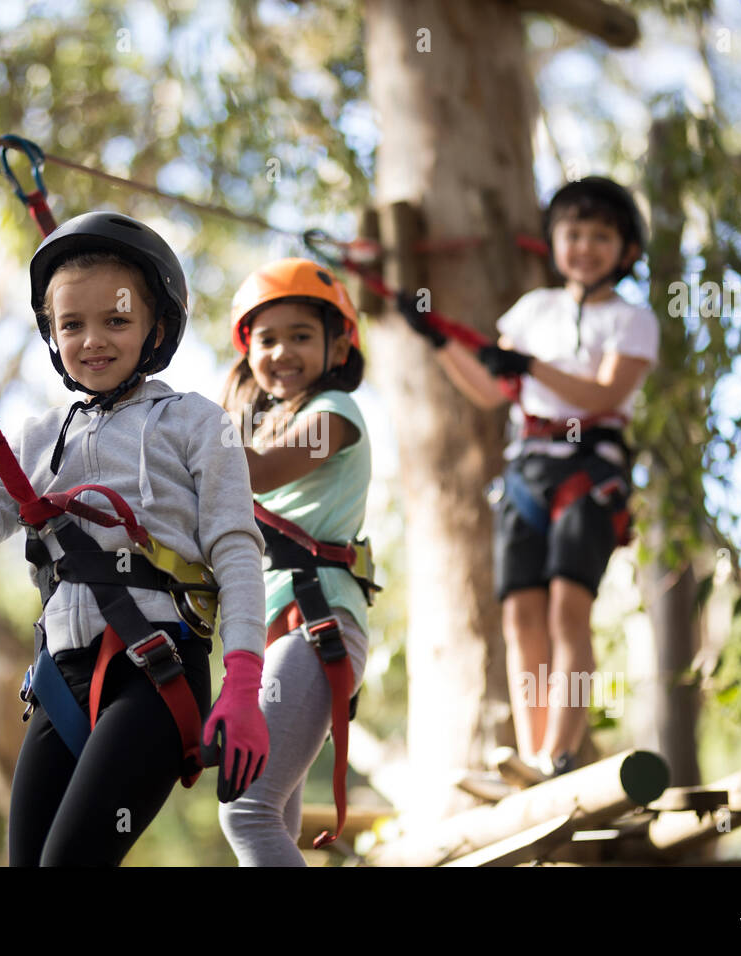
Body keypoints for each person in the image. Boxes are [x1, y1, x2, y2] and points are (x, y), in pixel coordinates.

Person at [0, 211, 270, 865]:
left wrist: (243, 683)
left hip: (156, 671)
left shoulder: (194, 422)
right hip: (59, 680)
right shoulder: (39, 438)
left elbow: (235, 549)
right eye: (72, 324)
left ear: (156, 329)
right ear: (51, 333)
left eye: (117, 320)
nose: (93, 340)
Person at [398, 176, 658, 779]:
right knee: (521, 616)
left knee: (570, 607)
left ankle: (559, 753)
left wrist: (531, 365)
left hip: (590, 472)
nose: (585, 246)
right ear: (554, 242)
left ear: (626, 252)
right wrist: (438, 338)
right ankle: (531, 753)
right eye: (573, 233)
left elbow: (604, 393)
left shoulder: (631, 319)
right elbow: (492, 389)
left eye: (601, 236)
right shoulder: (533, 312)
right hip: (526, 471)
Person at [217, 258, 374, 865]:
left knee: (247, 811)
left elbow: (252, 470)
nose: (283, 351)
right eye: (267, 338)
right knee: (272, 813)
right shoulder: (264, 425)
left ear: (338, 348)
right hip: (278, 632)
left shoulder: (335, 413)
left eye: (301, 336)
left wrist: (180, 431)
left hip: (317, 623)